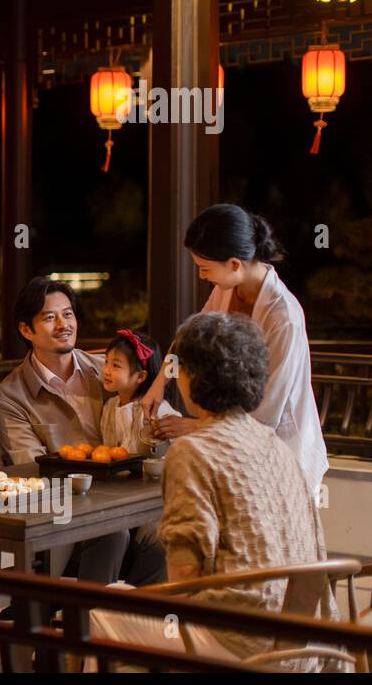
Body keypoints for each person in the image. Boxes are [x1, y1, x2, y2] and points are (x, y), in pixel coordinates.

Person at [93, 312, 340, 668]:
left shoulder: (194, 451)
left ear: (192, 379)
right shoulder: (279, 448)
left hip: (237, 641)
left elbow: (183, 576)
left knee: (103, 606)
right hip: (306, 645)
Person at [140, 204, 327, 497]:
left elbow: (268, 411)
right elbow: (191, 339)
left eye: (204, 268)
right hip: (233, 439)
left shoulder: (284, 317)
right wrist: (160, 382)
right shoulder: (226, 288)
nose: (202, 277)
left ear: (234, 264)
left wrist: (194, 426)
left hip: (280, 445)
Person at [0, 276, 165, 586]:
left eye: (68, 313)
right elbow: (33, 470)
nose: (64, 324)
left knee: (167, 533)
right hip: (67, 511)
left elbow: (145, 419)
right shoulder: (13, 395)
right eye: (50, 317)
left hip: (126, 498)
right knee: (110, 533)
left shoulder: (105, 370)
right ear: (25, 330)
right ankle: (87, 624)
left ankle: (138, 625)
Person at [100, 329, 178, 455]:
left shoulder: (156, 410)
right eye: (106, 362)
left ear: (140, 376)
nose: (106, 371)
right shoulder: (109, 406)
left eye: (116, 365)